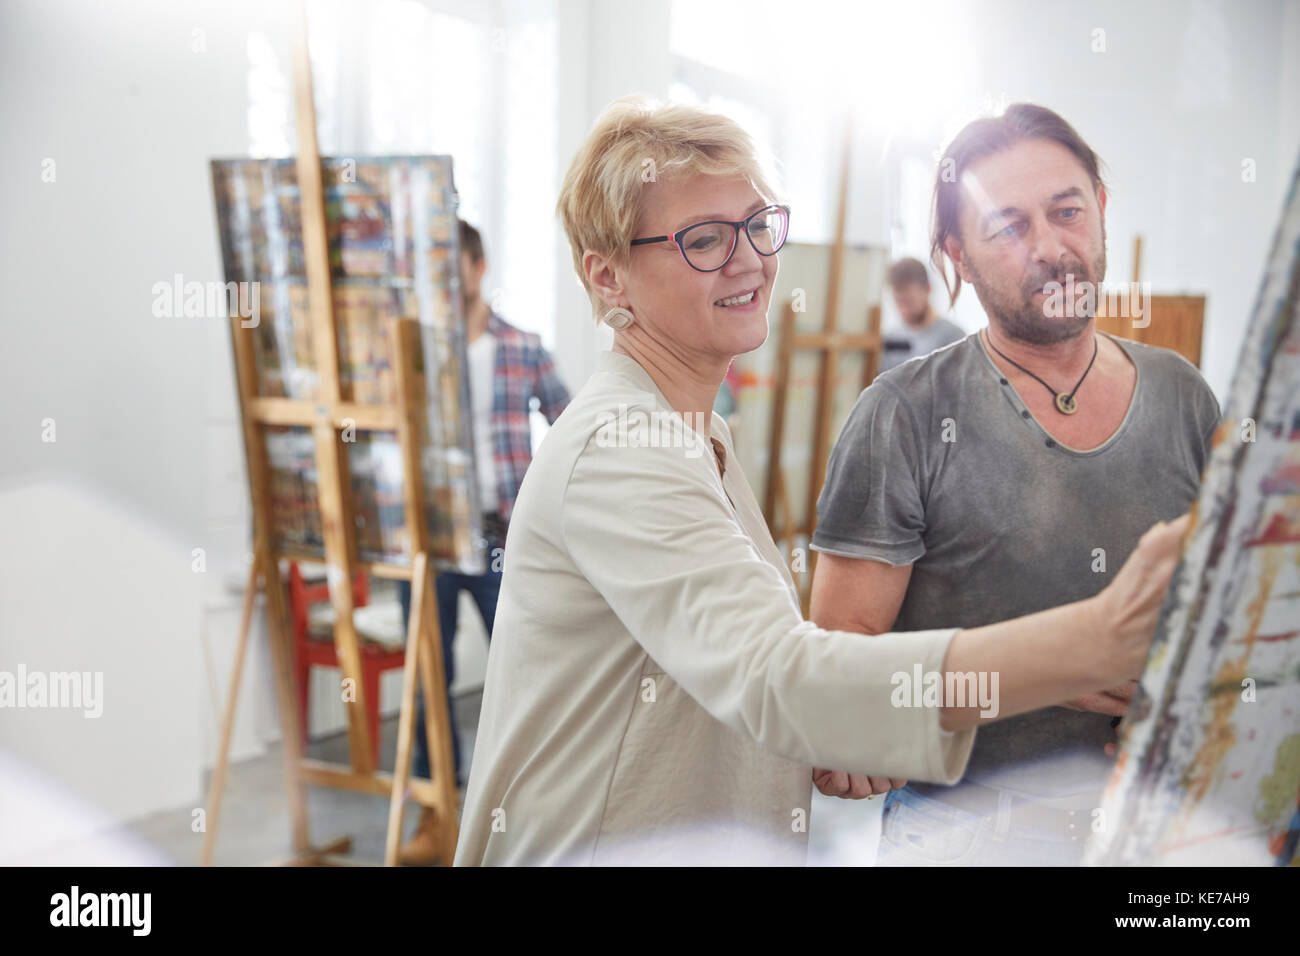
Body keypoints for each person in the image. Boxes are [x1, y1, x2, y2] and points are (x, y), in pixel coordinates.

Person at [453, 96, 1189, 866]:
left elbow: (756, 670)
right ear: (608, 278)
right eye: (703, 239)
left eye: (757, 225)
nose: (748, 260)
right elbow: (782, 677)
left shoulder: (698, 436)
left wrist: (852, 725)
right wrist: (1098, 641)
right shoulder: (619, 449)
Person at [810, 103, 1221, 865]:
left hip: (1153, 827)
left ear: (1099, 209)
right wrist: (1052, 665)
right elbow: (841, 665)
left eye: (1067, 211)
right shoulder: (904, 413)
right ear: (955, 256)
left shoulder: (1182, 394)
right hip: (967, 833)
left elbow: (1222, 611)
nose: (1052, 248)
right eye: (1007, 227)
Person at [397, 219, 570, 865]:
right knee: (427, 680)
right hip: (430, 539)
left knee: (523, 670)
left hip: (503, 536)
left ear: (478, 266)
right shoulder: (416, 352)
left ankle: (530, 812)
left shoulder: (522, 346)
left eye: (455, 264)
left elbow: (574, 421)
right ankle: (434, 813)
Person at [878, 257, 965, 373]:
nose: (904, 310)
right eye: (898, 302)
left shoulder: (954, 338)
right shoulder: (890, 338)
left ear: (927, 289)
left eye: (909, 301)